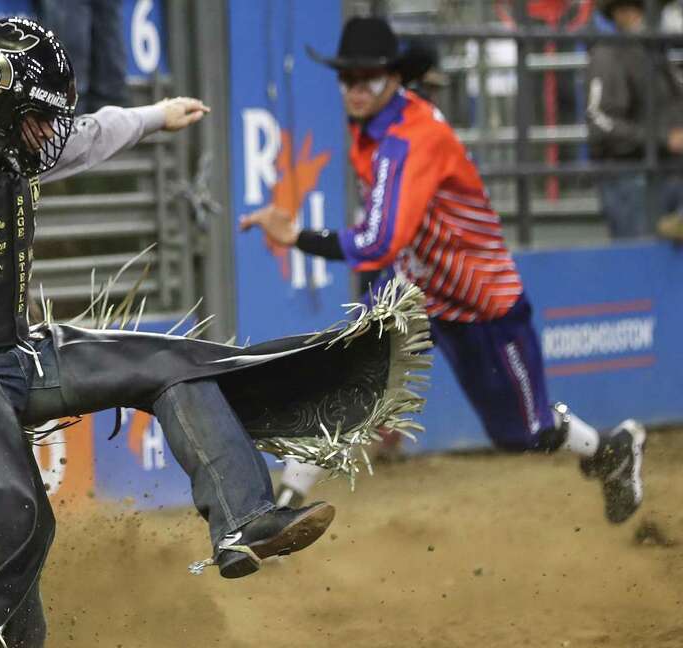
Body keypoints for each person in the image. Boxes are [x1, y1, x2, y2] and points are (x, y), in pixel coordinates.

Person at [0, 18, 418, 648]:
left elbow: (91, 135)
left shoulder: (13, 141)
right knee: (27, 518)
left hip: (12, 353)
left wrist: (158, 115)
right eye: (40, 119)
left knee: (170, 363)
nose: (51, 135)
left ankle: (243, 522)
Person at [241, 16, 646, 526]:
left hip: (483, 305)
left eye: (366, 78)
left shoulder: (409, 138)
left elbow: (377, 242)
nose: (353, 90)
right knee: (346, 376)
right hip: (419, 293)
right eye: (346, 78)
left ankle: (612, 449)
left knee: (524, 433)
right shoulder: (377, 128)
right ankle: (281, 511)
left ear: (392, 78)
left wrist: (297, 235)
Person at [586, 0, 683, 240]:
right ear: (622, 12)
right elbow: (599, 122)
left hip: (663, 173)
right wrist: (664, 139)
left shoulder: (657, 55)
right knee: (640, 258)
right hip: (630, 177)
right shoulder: (609, 54)